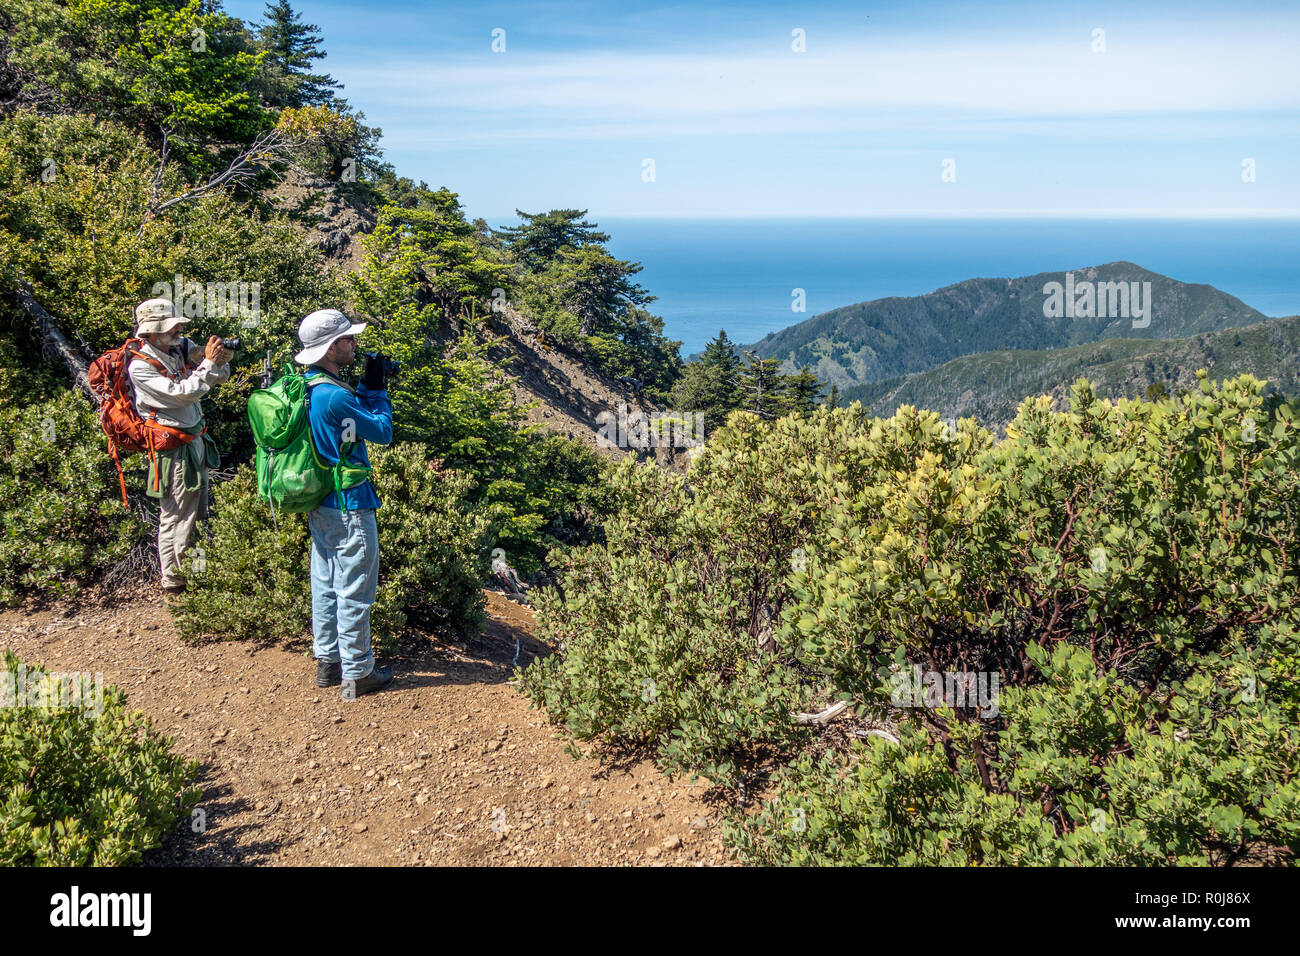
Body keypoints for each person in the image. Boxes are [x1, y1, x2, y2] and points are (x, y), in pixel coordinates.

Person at [295, 308, 395, 700]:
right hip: (351, 502)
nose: (354, 344)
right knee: (355, 586)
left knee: (324, 580)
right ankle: (358, 672)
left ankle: (328, 662)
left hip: (320, 499)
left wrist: (365, 390)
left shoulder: (305, 385)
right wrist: (377, 389)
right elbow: (382, 431)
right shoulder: (334, 395)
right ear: (333, 346)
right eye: (349, 339)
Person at [127, 298, 231, 594]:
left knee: (198, 512)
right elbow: (186, 392)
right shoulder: (141, 368)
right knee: (176, 515)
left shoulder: (178, 350)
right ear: (149, 333)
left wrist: (218, 359)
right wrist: (209, 363)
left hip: (194, 441)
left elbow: (214, 379)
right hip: (173, 451)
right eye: (170, 326)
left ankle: (197, 574)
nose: (178, 329)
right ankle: (175, 583)